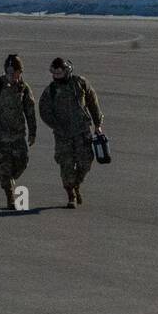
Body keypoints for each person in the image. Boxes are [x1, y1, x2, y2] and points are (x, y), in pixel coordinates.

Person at [38, 57, 103, 209]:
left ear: (67, 71)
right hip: (63, 135)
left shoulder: (80, 83)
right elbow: (43, 110)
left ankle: (76, 185)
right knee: (66, 166)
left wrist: (98, 124)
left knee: (85, 163)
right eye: (54, 74)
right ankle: (71, 195)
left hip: (82, 131)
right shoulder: (51, 90)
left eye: (59, 73)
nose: (56, 77)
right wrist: (56, 125)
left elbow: (93, 102)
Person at [0, 54, 37, 210]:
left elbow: (30, 111)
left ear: (20, 72)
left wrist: (32, 132)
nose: (12, 76)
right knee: (4, 167)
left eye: (15, 73)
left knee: (22, 163)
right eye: (9, 72)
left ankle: (10, 179)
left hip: (18, 134)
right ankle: (10, 196)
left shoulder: (23, 88)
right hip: (0, 136)